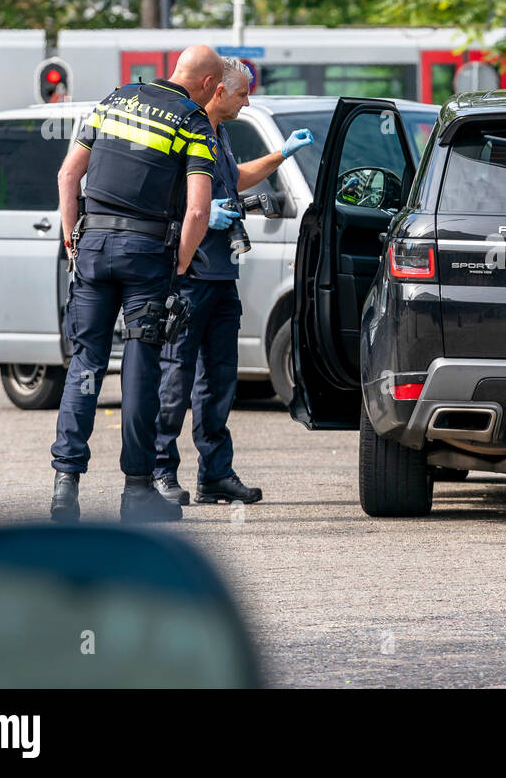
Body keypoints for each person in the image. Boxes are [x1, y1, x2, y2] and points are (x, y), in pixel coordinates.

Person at [49, 45, 222, 523]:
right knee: (141, 367)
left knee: (85, 364)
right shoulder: (192, 121)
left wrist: (72, 241)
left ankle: (66, 484)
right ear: (208, 85)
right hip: (146, 257)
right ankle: (138, 490)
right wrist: (181, 265)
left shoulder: (112, 100)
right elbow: (198, 210)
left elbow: (68, 174)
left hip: (94, 250)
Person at [151, 57, 316, 506]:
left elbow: (235, 177)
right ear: (217, 91)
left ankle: (215, 475)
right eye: (243, 92)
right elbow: (166, 194)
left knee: (219, 380)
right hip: (189, 275)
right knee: (174, 379)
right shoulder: (185, 129)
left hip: (221, 275)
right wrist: (199, 218)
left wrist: (283, 154)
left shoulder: (218, 133)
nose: (248, 100)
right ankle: (160, 474)